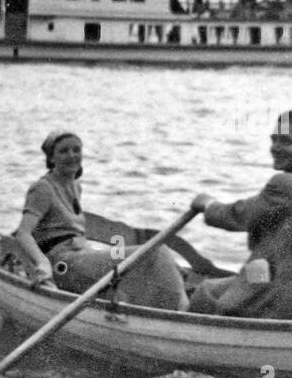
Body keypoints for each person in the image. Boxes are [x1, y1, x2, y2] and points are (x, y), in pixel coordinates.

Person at [188, 111, 292, 320]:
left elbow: (237, 216)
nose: (275, 148)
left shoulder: (284, 184)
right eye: (273, 140)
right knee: (249, 274)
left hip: (289, 302)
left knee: (205, 292)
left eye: (286, 141)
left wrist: (207, 204)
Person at [13, 129, 188, 311]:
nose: (72, 156)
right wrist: (42, 264)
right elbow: (23, 233)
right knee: (156, 252)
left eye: (76, 149)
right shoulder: (43, 188)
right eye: (63, 151)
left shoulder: (75, 185)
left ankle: (166, 310)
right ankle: (183, 315)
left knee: (147, 260)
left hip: (82, 255)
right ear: (51, 158)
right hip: (62, 264)